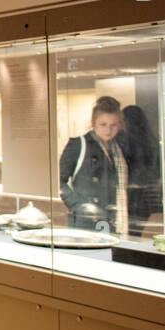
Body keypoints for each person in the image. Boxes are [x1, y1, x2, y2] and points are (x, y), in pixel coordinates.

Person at [58, 96, 127, 234]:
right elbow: (58, 181)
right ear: (93, 123)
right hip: (87, 220)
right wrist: (79, 206)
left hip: (113, 218)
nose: (108, 130)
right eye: (103, 124)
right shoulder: (79, 145)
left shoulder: (119, 149)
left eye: (113, 125)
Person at [121, 104, 161, 238]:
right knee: (135, 232)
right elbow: (157, 171)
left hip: (131, 193)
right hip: (148, 195)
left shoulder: (125, 142)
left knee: (127, 231)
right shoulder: (152, 141)